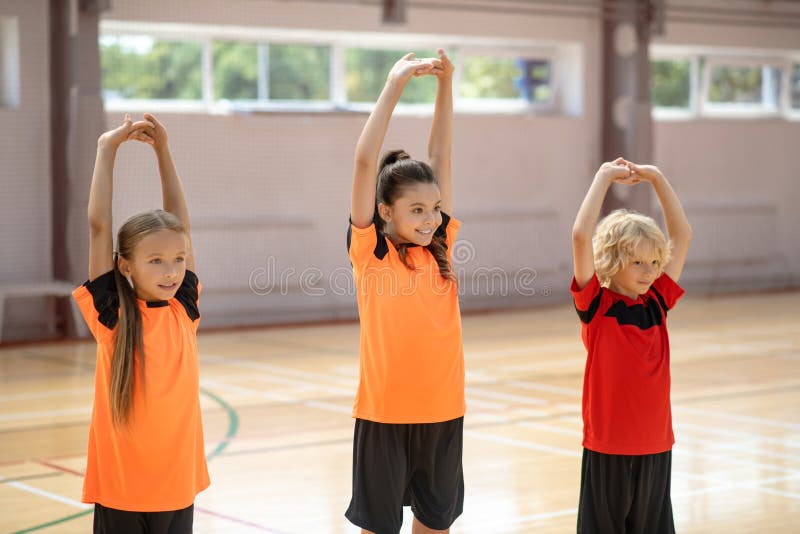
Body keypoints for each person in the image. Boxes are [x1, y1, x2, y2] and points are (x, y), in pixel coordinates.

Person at [345, 49, 464, 534]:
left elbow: (440, 156)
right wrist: (394, 84)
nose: (431, 217)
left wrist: (446, 85)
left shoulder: (441, 244)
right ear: (385, 211)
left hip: (444, 410)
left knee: (435, 526)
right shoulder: (370, 251)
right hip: (385, 415)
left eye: (434, 207)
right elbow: (363, 159)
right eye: (416, 209)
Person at [72, 113, 209, 533]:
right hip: (123, 488)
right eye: (155, 261)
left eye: (178, 260)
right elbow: (99, 226)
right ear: (125, 265)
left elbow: (180, 222)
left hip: (176, 483)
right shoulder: (110, 315)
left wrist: (163, 151)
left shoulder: (183, 308)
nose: (171, 272)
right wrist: (106, 150)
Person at [570, 157, 692, 534]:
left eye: (654, 262)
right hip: (608, 448)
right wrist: (603, 178)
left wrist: (657, 177)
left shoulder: (657, 302)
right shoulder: (596, 305)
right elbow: (579, 235)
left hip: (657, 446)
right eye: (637, 262)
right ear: (611, 260)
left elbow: (682, 235)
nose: (648, 271)